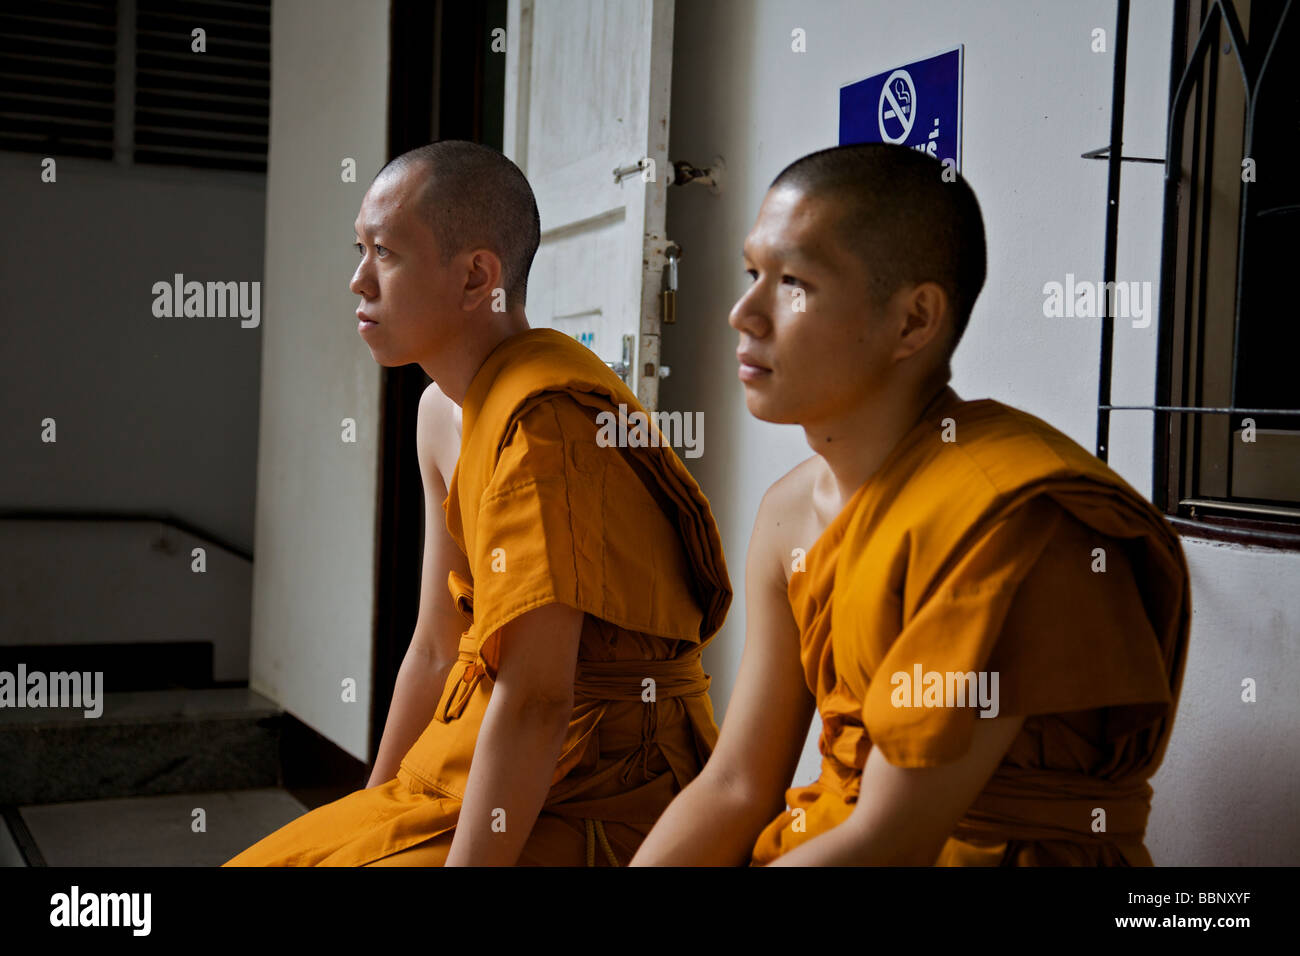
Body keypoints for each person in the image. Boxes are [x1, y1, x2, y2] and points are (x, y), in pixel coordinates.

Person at [629, 143, 1190, 866]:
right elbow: (736, 784)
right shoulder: (789, 513)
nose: (745, 314)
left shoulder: (1010, 518)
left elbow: (891, 838)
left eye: (794, 282)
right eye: (752, 273)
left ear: (914, 321)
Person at [224, 140, 730, 866]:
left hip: (599, 778)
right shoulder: (440, 412)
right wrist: (371, 812)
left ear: (476, 277)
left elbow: (537, 699)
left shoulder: (545, 428)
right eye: (359, 249)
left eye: (385, 254)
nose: (357, 280)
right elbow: (436, 643)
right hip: (479, 745)